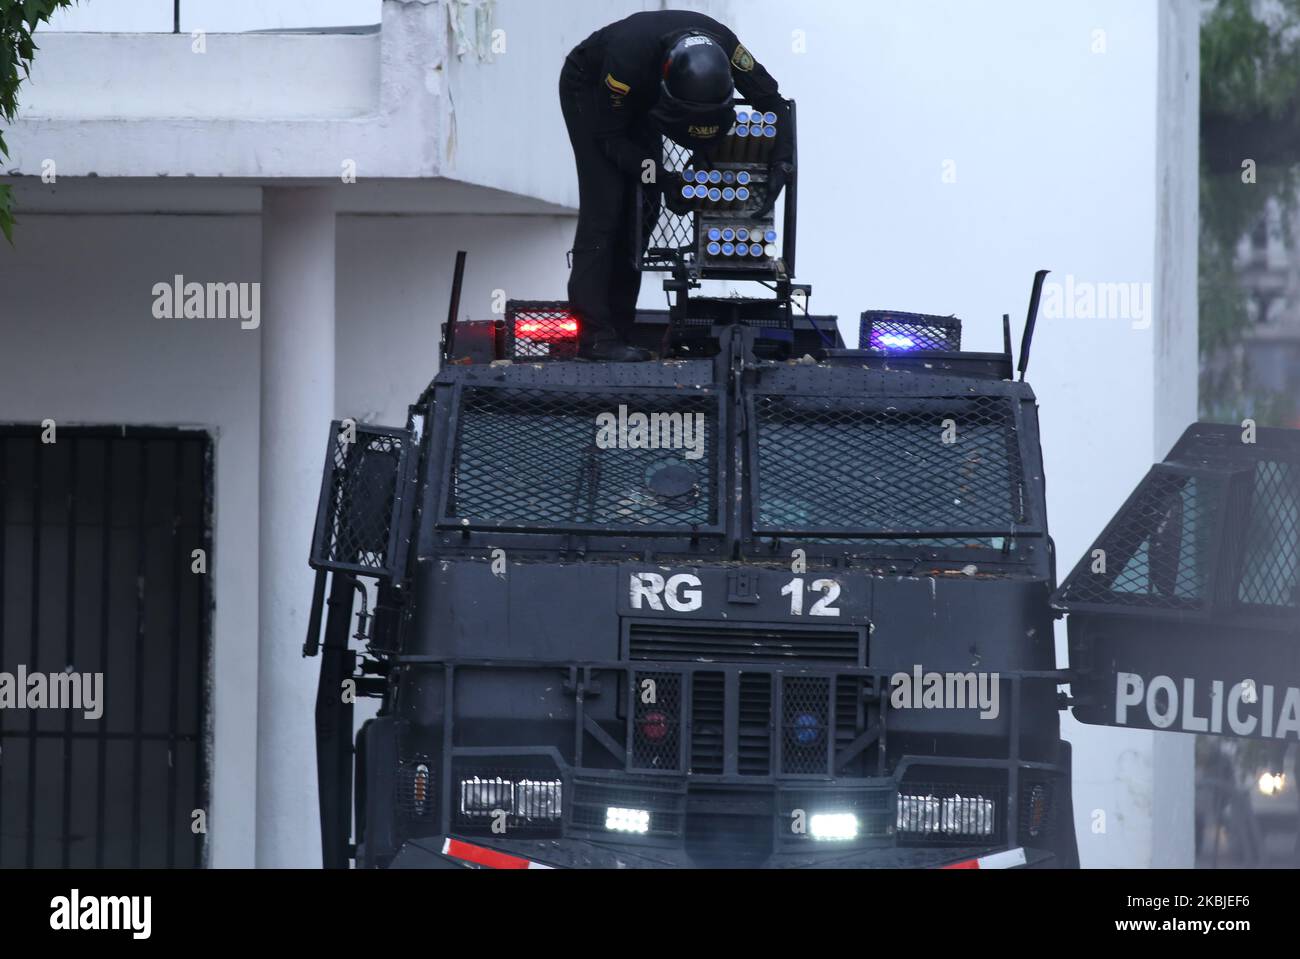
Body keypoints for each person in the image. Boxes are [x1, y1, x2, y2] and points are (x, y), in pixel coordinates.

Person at [559, 11, 792, 361]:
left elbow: (774, 103)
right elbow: (611, 138)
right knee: (607, 204)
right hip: (592, 91)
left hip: (644, 96)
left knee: (643, 211)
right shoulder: (624, 65)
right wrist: (664, 177)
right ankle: (596, 338)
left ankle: (620, 330)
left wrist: (781, 161)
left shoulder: (730, 51)